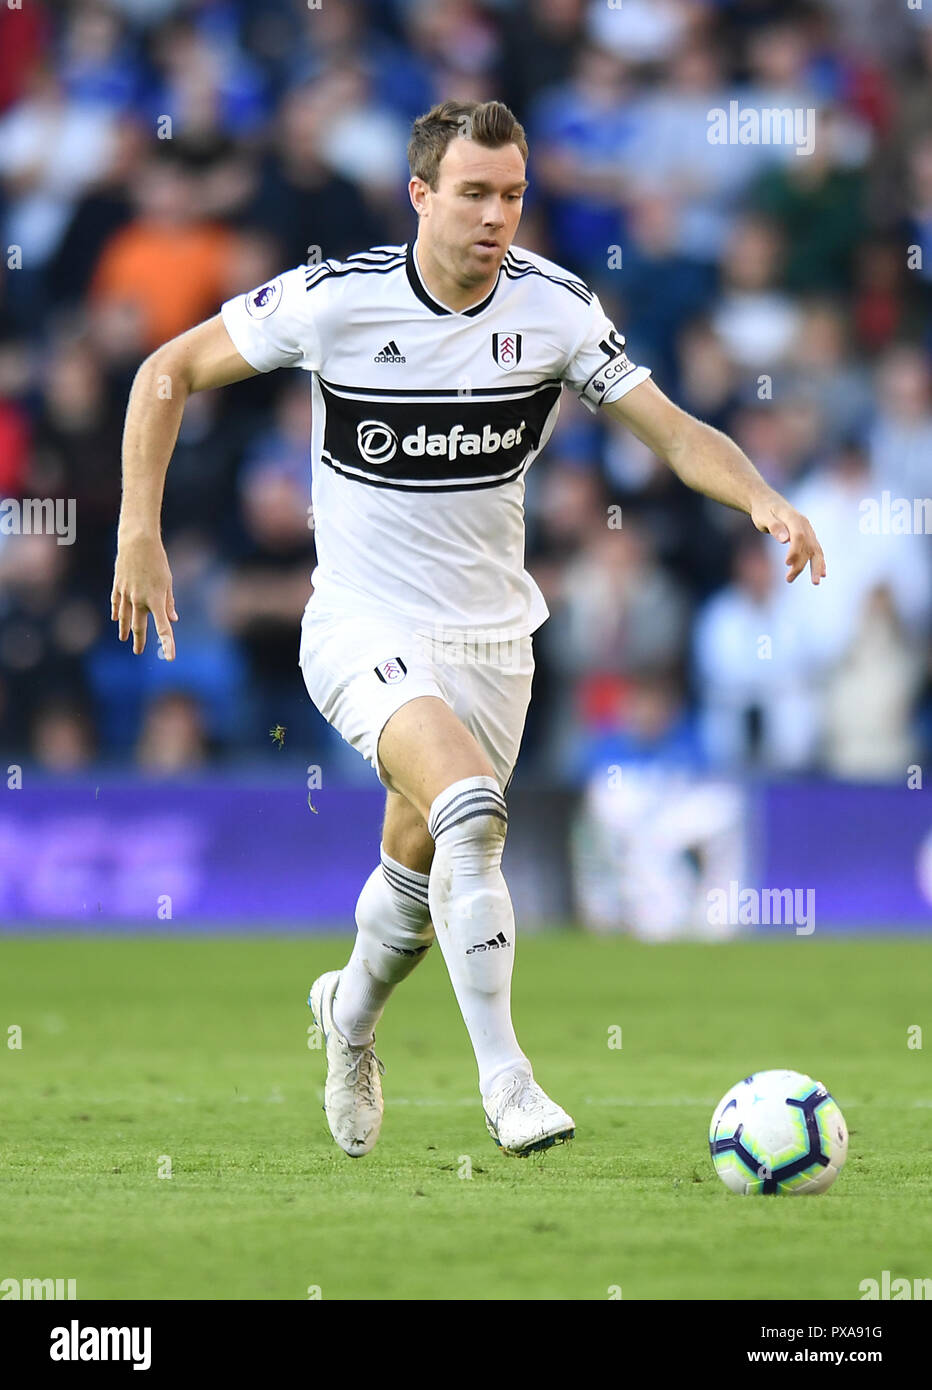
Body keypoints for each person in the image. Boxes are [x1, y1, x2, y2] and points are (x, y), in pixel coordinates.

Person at [111, 100, 825, 1159]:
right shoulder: (334, 299)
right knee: (471, 809)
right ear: (421, 196)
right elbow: (163, 370)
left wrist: (758, 494)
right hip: (358, 620)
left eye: (513, 194)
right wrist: (138, 530)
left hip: (494, 639)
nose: (496, 215)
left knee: (416, 867)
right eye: (474, 193)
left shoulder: (554, 312)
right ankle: (509, 1080)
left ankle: (346, 1020)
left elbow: (672, 432)